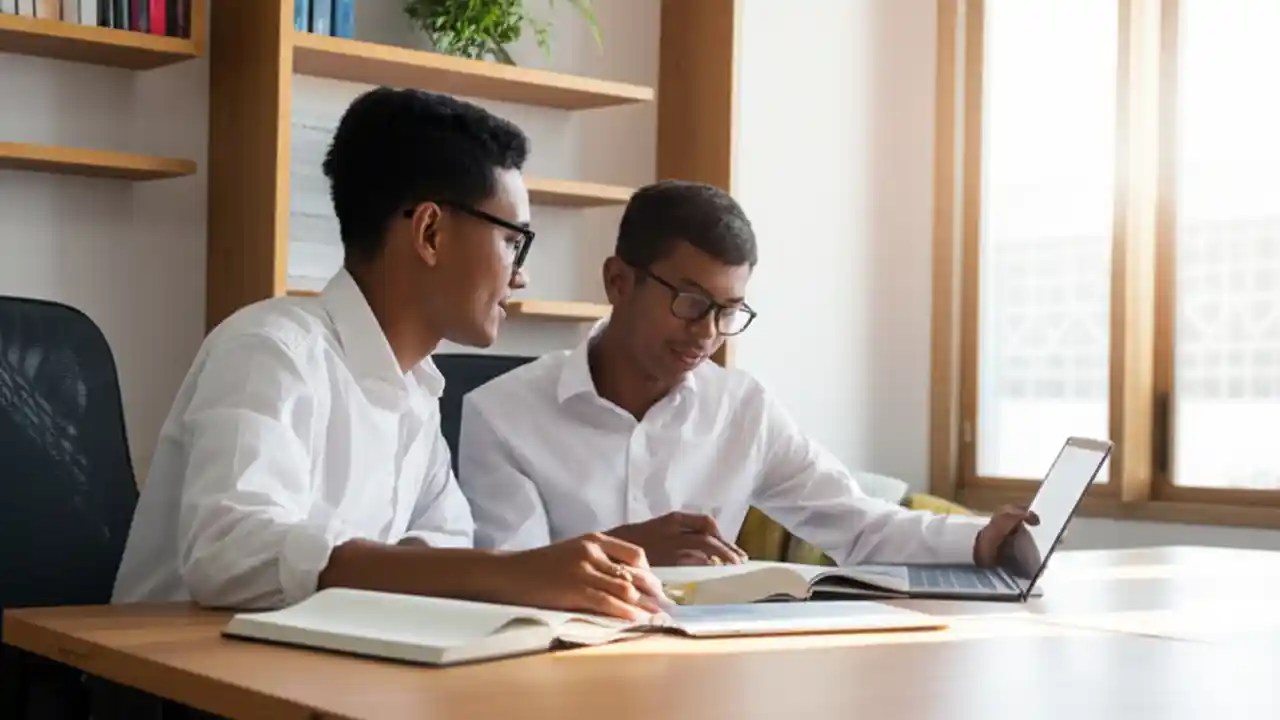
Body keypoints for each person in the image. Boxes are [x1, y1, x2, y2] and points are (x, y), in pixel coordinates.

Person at [111, 88, 663, 621]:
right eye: (512, 241)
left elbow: (444, 542)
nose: (520, 274)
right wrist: (507, 572)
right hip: (175, 687)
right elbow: (228, 553)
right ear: (430, 232)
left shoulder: (418, 389)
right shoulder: (271, 350)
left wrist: (506, 576)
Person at [458, 180, 1036, 567]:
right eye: (689, 301)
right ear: (617, 282)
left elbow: (856, 521)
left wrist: (979, 538)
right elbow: (507, 580)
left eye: (727, 310)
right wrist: (630, 550)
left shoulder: (742, 408)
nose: (707, 332)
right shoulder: (501, 413)